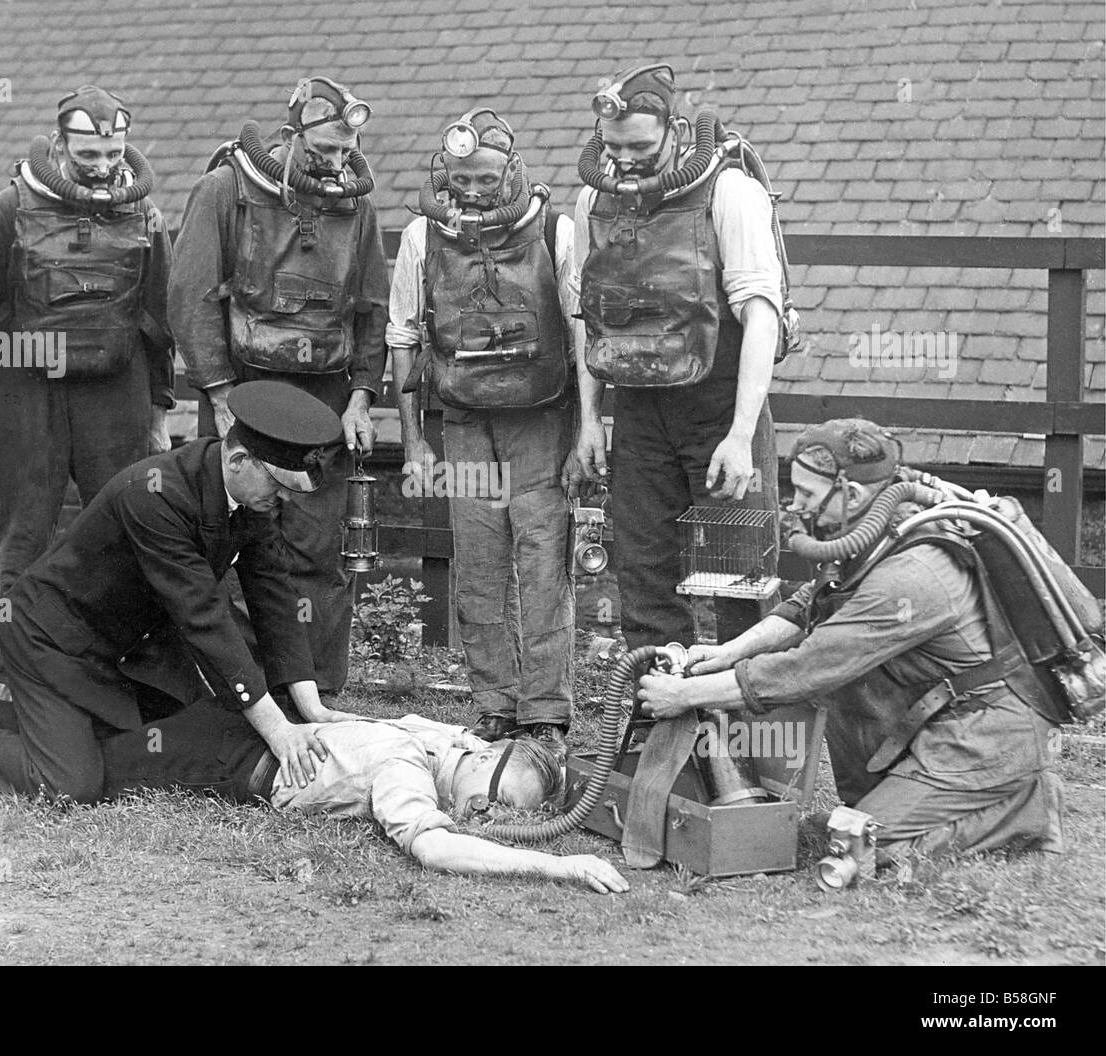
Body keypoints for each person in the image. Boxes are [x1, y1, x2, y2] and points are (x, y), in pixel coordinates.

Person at [0, 381, 351, 802]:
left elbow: (274, 596)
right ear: (238, 461)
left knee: (147, 739)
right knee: (72, 783)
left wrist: (309, 706)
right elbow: (203, 617)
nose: (285, 499)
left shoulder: (252, 498)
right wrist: (278, 730)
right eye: (279, 485)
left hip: (117, 647)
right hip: (49, 641)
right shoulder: (156, 495)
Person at [636, 419, 1065, 864]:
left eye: (806, 495)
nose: (795, 506)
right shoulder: (879, 531)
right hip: (941, 715)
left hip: (986, 730)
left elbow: (809, 667)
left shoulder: (910, 576)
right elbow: (811, 602)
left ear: (853, 496)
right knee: (851, 823)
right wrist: (730, 651)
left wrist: (683, 695)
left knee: (862, 844)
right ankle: (921, 797)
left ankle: (1025, 812)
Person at [0, 671, 627, 894]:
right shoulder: (412, 766)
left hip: (231, 734)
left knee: (101, 735)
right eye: (488, 801)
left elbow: (448, 816)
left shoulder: (438, 748)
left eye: (495, 812)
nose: (480, 815)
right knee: (79, 777)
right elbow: (435, 851)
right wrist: (555, 861)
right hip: (223, 757)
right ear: (475, 751)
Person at [169, 75, 389, 697]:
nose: (335, 163)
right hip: (247, 388)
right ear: (292, 136)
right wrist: (215, 393)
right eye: (323, 150)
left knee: (316, 544)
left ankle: (318, 690)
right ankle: (233, 684)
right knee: (235, 537)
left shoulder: (358, 206)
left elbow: (371, 307)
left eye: (346, 152)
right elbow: (189, 294)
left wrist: (362, 397)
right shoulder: (225, 190)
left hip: (324, 396)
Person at [570, 62, 783, 654]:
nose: (626, 161)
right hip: (640, 410)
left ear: (674, 130)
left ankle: (746, 739)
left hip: (719, 404)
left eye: (640, 146)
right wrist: (591, 420)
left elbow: (762, 313)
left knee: (738, 578)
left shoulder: (728, 191)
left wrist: (741, 435)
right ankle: (660, 726)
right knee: (644, 575)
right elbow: (591, 313)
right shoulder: (596, 199)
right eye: (613, 147)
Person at [388, 108, 575, 755]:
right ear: (446, 175)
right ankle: (493, 702)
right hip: (465, 422)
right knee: (476, 560)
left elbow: (580, 334)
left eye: (486, 176)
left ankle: (546, 708)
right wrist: (413, 443)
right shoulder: (422, 237)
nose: (472, 189)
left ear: (513, 171)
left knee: (543, 558)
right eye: (461, 177)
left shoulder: (555, 227)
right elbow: (404, 339)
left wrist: (588, 433)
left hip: (540, 420)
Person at [0, 85, 175, 679]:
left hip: (116, 385)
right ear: (60, 144)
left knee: (122, 528)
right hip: (25, 386)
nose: (102, 167)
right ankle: (14, 669)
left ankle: (116, 665)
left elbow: (157, 319)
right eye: (87, 156)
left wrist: (160, 411)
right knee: (23, 533)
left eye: (112, 154)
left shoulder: (146, 215)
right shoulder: (7, 209)